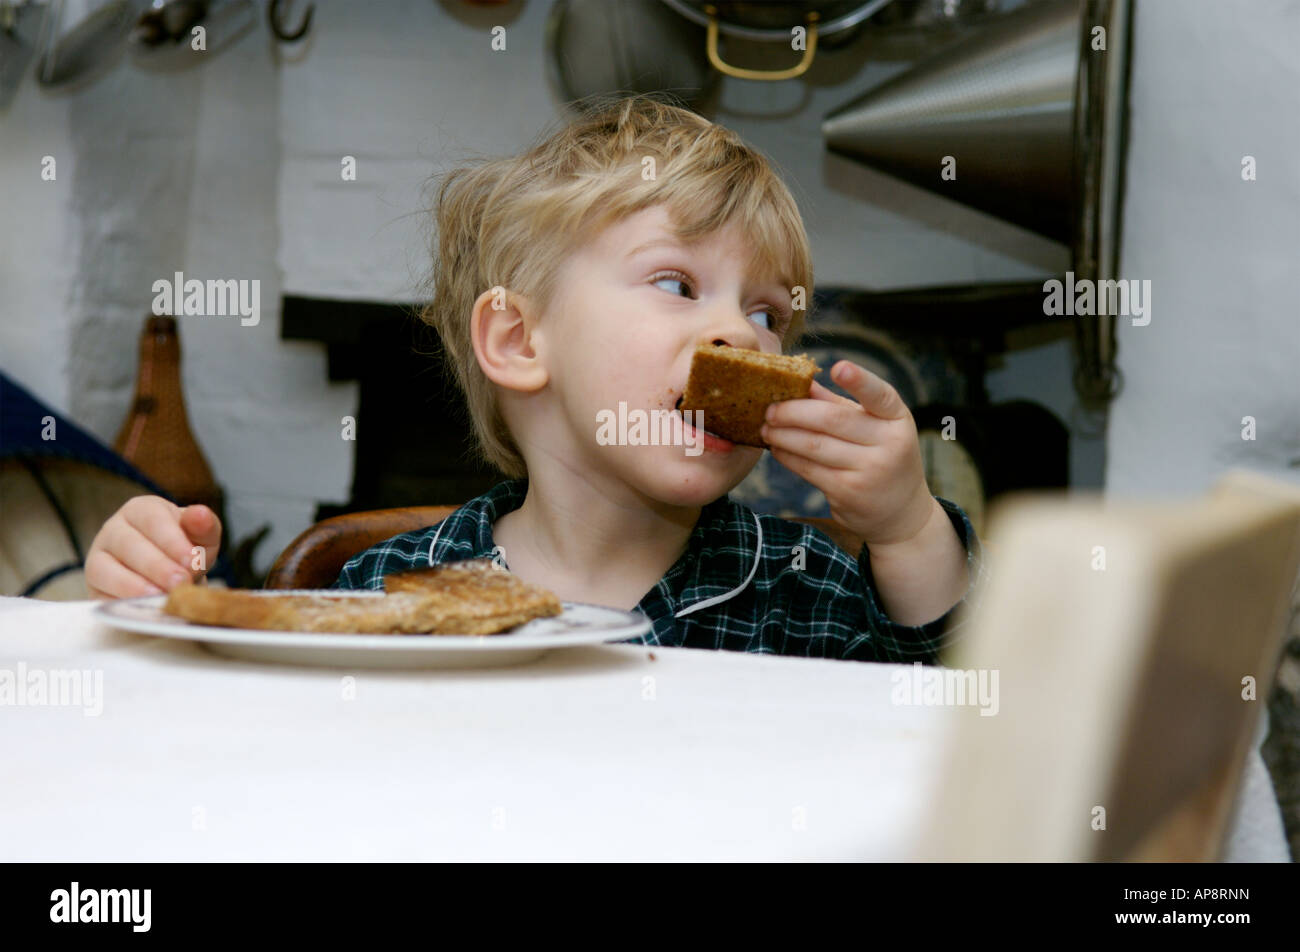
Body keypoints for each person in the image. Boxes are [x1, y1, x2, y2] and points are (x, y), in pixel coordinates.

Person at [86, 95, 988, 664]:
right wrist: (154, 591)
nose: (739, 337)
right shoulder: (392, 588)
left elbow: (956, 693)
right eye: (677, 284)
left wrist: (905, 526)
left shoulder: (809, 587)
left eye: (768, 315)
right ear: (518, 341)